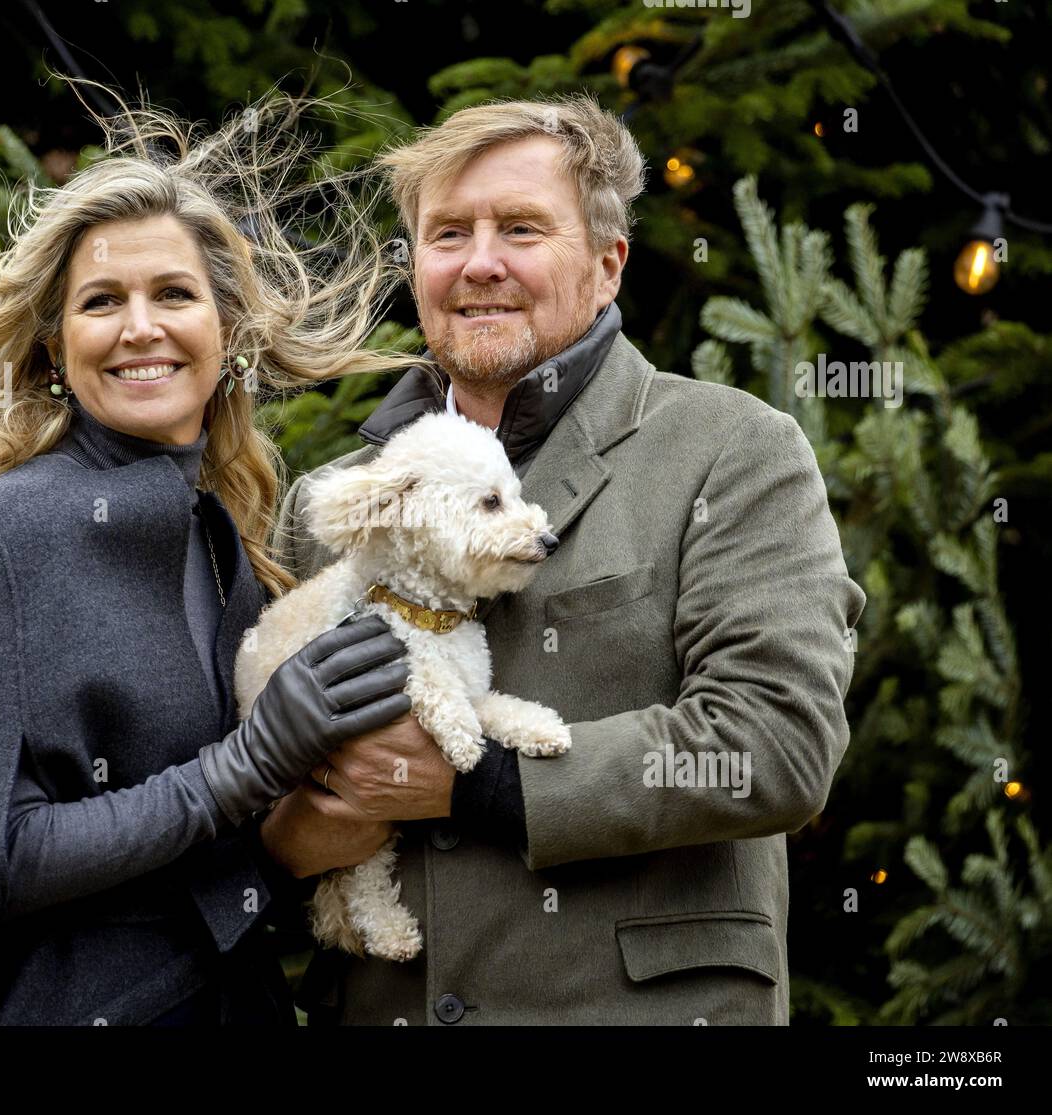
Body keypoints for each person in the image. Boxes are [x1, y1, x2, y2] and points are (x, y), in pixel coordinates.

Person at [267, 94, 868, 1025]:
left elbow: (776, 741)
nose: (479, 263)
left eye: (520, 228)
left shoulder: (730, 449)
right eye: (448, 234)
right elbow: (246, 788)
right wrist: (290, 836)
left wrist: (483, 785)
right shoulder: (333, 504)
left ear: (606, 263)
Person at [0, 85, 418, 1026]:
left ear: (230, 335)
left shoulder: (223, 544)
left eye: (173, 293)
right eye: (101, 301)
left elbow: (194, 868)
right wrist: (243, 767)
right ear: (53, 349)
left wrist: (289, 837)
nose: (140, 327)